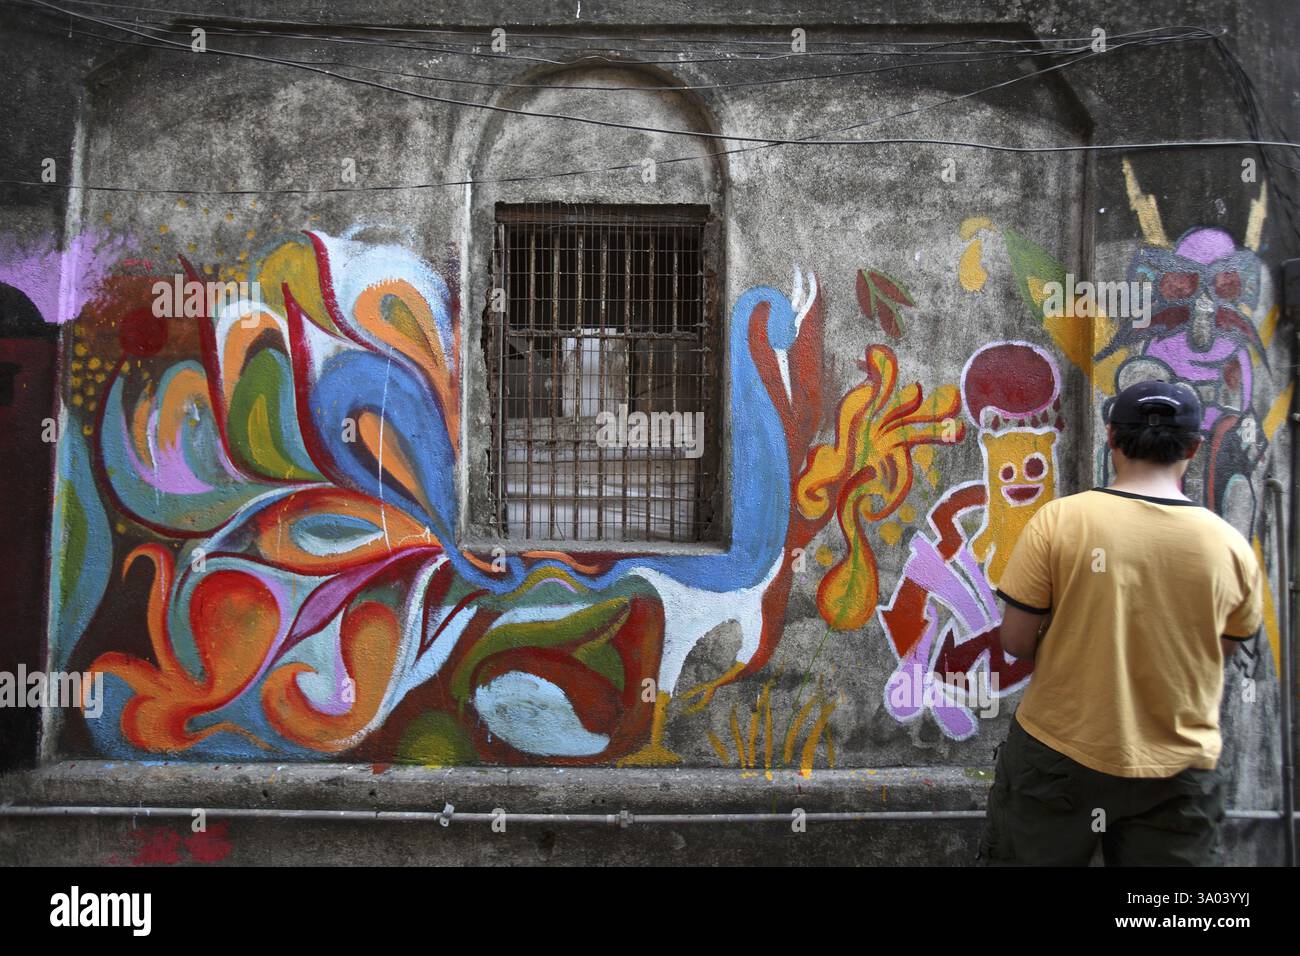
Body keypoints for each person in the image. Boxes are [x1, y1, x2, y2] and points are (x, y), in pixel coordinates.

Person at [979, 379, 1264, 866]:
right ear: (1195, 446)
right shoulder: (1231, 548)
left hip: (1059, 756)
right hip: (1177, 769)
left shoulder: (1059, 522)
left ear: (1111, 436)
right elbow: (1221, 652)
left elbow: (1016, 641)